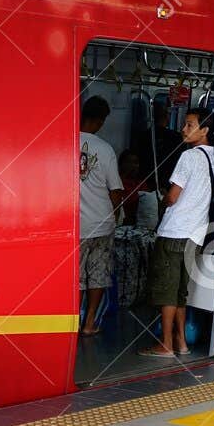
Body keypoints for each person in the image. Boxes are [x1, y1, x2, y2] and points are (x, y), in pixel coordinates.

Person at [146, 108, 214, 357]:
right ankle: (182, 343)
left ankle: (165, 344)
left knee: (166, 292)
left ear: (205, 130)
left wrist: (162, 201)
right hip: (195, 235)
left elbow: (173, 196)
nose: (183, 129)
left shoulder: (189, 157)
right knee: (180, 293)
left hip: (175, 231)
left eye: (189, 125)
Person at [79, 96, 124, 336]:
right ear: (100, 120)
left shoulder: (65, 142)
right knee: (97, 275)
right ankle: (89, 324)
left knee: (75, 278)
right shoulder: (105, 149)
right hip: (102, 224)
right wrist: (115, 216)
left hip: (75, 226)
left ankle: (71, 324)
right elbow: (115, 190)